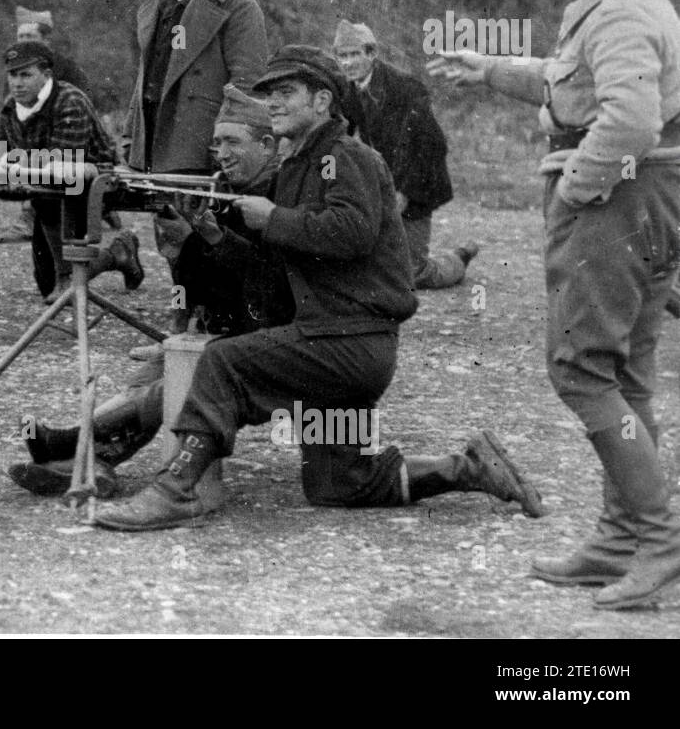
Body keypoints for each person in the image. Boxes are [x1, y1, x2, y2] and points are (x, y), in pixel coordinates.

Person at [91, 46, 545, 532]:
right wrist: (215, 237)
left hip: (349, 344)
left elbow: (353, 231)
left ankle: (175, 490)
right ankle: (469, 468)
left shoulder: (343, 157)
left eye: (287, 93)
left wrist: (273, 219)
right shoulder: (299, 166)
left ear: (323, 101)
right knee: (339, 484)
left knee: (221, 363)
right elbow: (273, 273)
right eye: (270, 95)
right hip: (336, 346)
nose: (275, 104)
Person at [428, 0, 680, 611]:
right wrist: (492, 70)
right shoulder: (631, 6)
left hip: (615, 204)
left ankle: (661, 536)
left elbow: (628, 119)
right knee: (625, 372)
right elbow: (577, 87)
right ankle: (622, 536)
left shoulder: (621, 16)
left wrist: (577, 187)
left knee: (579, 369)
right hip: (646, 201)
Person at [7, 85, 287, 498]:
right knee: (151, 373)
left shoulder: (280, 196)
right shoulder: (225, 187)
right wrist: (185, 245)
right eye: (217, 143)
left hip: (271, 337)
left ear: (267, 145)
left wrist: (202, 241)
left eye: (233, 142)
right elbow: (205, 284)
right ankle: (93, 459)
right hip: (231, 331)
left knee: (173, 381)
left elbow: (270, 285)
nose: (221, 153)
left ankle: (74, 444)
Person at [121, 0, 270, 175]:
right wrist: (131, 138)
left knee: (193, 220)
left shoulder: (237, 3)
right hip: (151, 144)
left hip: (200, 153)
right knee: (163, 219)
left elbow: (247, 86)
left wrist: (223, 151)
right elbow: (146, 76)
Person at [331, 19, 479, 289]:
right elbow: (341, 131)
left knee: (413, 274)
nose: (348, 63)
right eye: (342, 56)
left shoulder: (405, 89)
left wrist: (405, 193)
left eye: (355, 55)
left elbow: (433, 146)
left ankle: (460, 257)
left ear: (372, 54)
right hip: (386, 181)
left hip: (418, 184)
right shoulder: (349, 88)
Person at [0, 40, 143, 300]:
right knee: (47, 284)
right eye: (12, 75)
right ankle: (117, 254)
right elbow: (6, 160)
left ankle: (79, 271)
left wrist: (15, 167)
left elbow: (60, 164)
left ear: (47, 75)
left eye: (25, 75)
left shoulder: (70, 100)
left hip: (96, 186)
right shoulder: (10, 109)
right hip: (47, 192)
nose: (17, 83)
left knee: (62, 286)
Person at [0, 8, 93, 244]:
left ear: (45, 40)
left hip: (75, 151)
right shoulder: (16, 85)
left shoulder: (68, 72)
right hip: (40, 151)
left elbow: (78, 113)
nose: (24, 43)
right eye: (21, 37)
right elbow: (7, 139)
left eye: (30, 37)